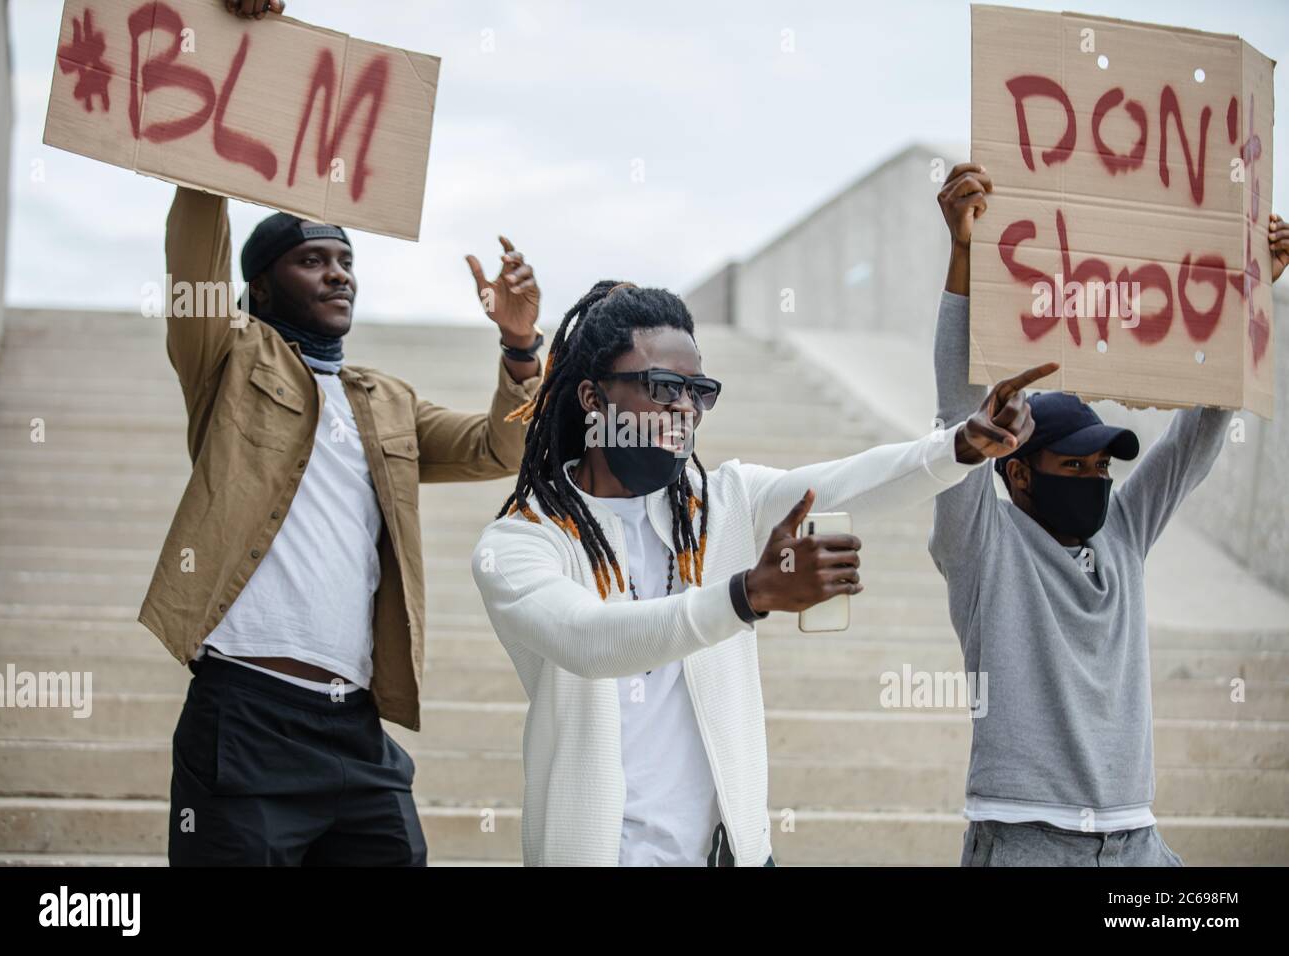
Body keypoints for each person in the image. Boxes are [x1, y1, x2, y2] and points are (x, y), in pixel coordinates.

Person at [145, 0, 544, 867]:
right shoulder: (226, 359)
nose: (337, 273)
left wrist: (520, 347)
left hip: (356, 734)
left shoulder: (385, 401)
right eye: (312, 259)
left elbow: (499, 449)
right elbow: (194, 260)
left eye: (346, 261)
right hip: (243, 716)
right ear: (260, 286)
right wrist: (211, 131)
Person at [470, 279, 1049, 866]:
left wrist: (961, 446)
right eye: (664, 387)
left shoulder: (720, 504)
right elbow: (588, 640)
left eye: (699, 392)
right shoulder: (523, 541)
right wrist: (745, 596)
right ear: (593, 399)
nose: (685, 409)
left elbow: (848, 481)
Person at [930, 162, 1289, 867]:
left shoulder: (1121, 533)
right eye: (1075, 467)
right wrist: (965, 254)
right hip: (1028, 838)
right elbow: (954, 415)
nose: (1096, 481)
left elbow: (1200, 432)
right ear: (1019, 475)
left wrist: (1256, 295)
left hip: (1137, 840)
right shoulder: (984, 544)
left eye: (1103, 467)